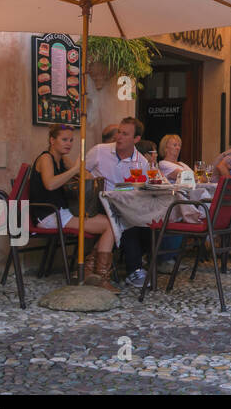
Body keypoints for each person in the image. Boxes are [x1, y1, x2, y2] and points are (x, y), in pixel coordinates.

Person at [30, 124, 118, 291]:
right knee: (110, 225)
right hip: (48, 214)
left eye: (71, 140)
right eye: (64, 140)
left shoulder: (62, 159)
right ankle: (96, 274)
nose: (68, 144)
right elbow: (50, 184)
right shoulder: (46, 158)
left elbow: (88, 176)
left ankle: (90, 269)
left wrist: (80, 169)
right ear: (52, 140)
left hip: (61, 212)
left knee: (111, 222)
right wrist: (75, 170)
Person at [87, 117, 152, 287]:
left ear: (136, 139)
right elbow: (80, 174)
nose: (119, 137)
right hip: (97, 203)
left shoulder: (141, 162)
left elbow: (140, 189)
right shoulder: (100, 151)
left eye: (125, 134)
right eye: (119, 132)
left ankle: (94, 263)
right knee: (125, 218)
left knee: (145, 218)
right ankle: (134, 269)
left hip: (123, 204)